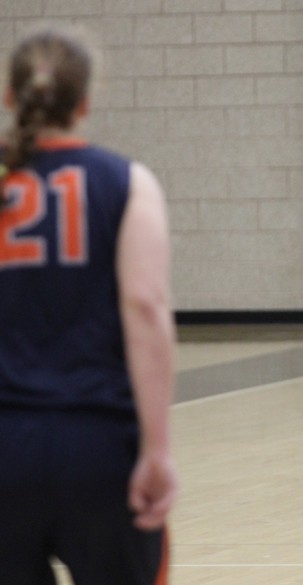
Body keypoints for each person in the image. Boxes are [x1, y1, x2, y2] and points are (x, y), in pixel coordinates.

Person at [0, 26, 178, 585]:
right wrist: (157, 449)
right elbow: (145, 307)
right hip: (98, 446)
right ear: (85, 102)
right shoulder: (127, 182)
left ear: (9, 96)